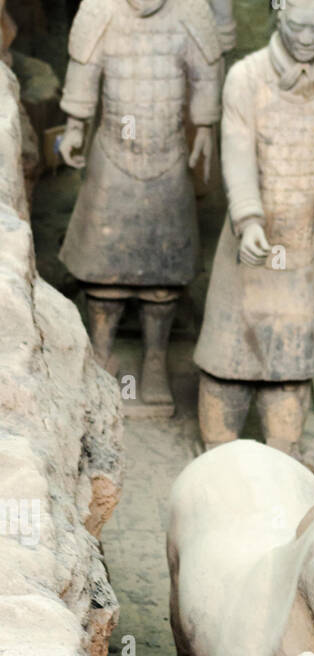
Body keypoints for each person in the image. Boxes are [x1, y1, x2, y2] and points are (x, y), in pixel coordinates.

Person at [193, 0, 314, 456]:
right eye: (298, 27)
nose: (308, 39)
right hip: (250, 245)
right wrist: (248, 218)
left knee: (292, 364)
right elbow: (237, 152)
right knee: (227, 358)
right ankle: (218, 456)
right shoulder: (245, 77)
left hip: (305, 240)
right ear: (278, 12)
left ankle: (281, 457)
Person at [58, 0, 222, 414]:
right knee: (104, 270)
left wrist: (204, 125)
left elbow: (206, 70)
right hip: (113, 153)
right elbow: (84, 68)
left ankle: (153, 363)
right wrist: (76, 124)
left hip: (167, 156)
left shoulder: (191, 11)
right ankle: (99, 357)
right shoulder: (99, 9)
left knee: (163, 274)